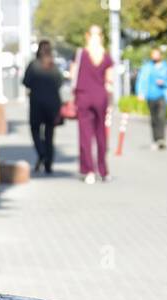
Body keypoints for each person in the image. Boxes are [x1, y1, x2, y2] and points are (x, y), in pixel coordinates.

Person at [71, 25, 114, 184]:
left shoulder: (80, 54)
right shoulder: (106, 57)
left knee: (85, 135)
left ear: (87, 36)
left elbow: (73, 76)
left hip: (83, 96)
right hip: (100, 97)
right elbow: (110, 81)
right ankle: (103, 171)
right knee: (101, 133)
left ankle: (88, 170)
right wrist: (110, 102)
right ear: (101, 37)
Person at [22, 40, 63, 175]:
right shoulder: (53, 67)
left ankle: (41, 152)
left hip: (37, 103)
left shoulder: (34, 66)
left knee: (35, 130)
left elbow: (26, 82)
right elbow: (59, 83)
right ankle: (48, 163)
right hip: (52, 104)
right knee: (49, 134)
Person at [136, 47, 167, 149]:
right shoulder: (147, 67)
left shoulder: (166, 67)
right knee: (154, 119)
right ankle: (155, 139)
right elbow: (142, 80)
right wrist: (140, 93)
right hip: (150, 96)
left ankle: (161, 139)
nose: (154, 56)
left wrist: (164, 83)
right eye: (153, 54)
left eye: (156, 54)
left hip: (162, 95)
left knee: (161, 117)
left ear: (160, 55)